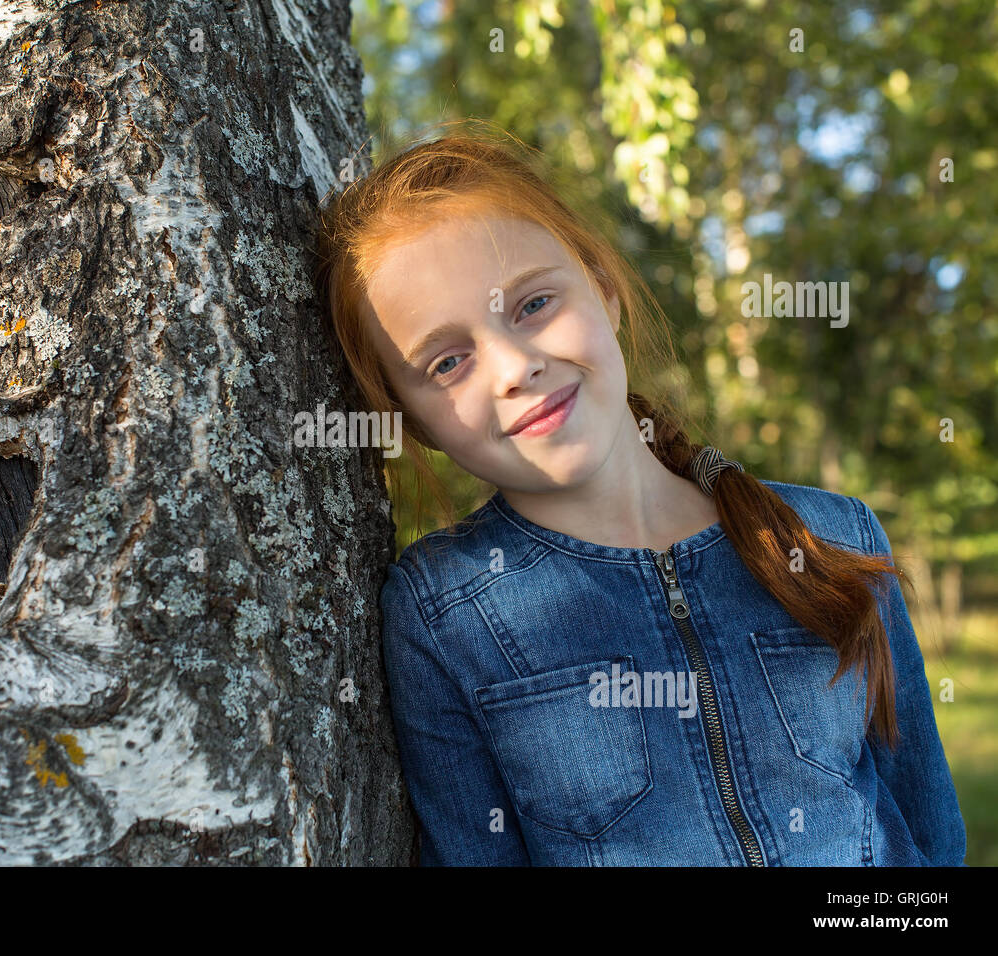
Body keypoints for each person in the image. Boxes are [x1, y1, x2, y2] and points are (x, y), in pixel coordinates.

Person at [313, 124, 966, 866]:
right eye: (448, 361)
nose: (513, 367)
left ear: (607, 289)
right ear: (412, 422)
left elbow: (931, 837)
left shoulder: (831, 534)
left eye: (532, 305)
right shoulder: (443, 615)